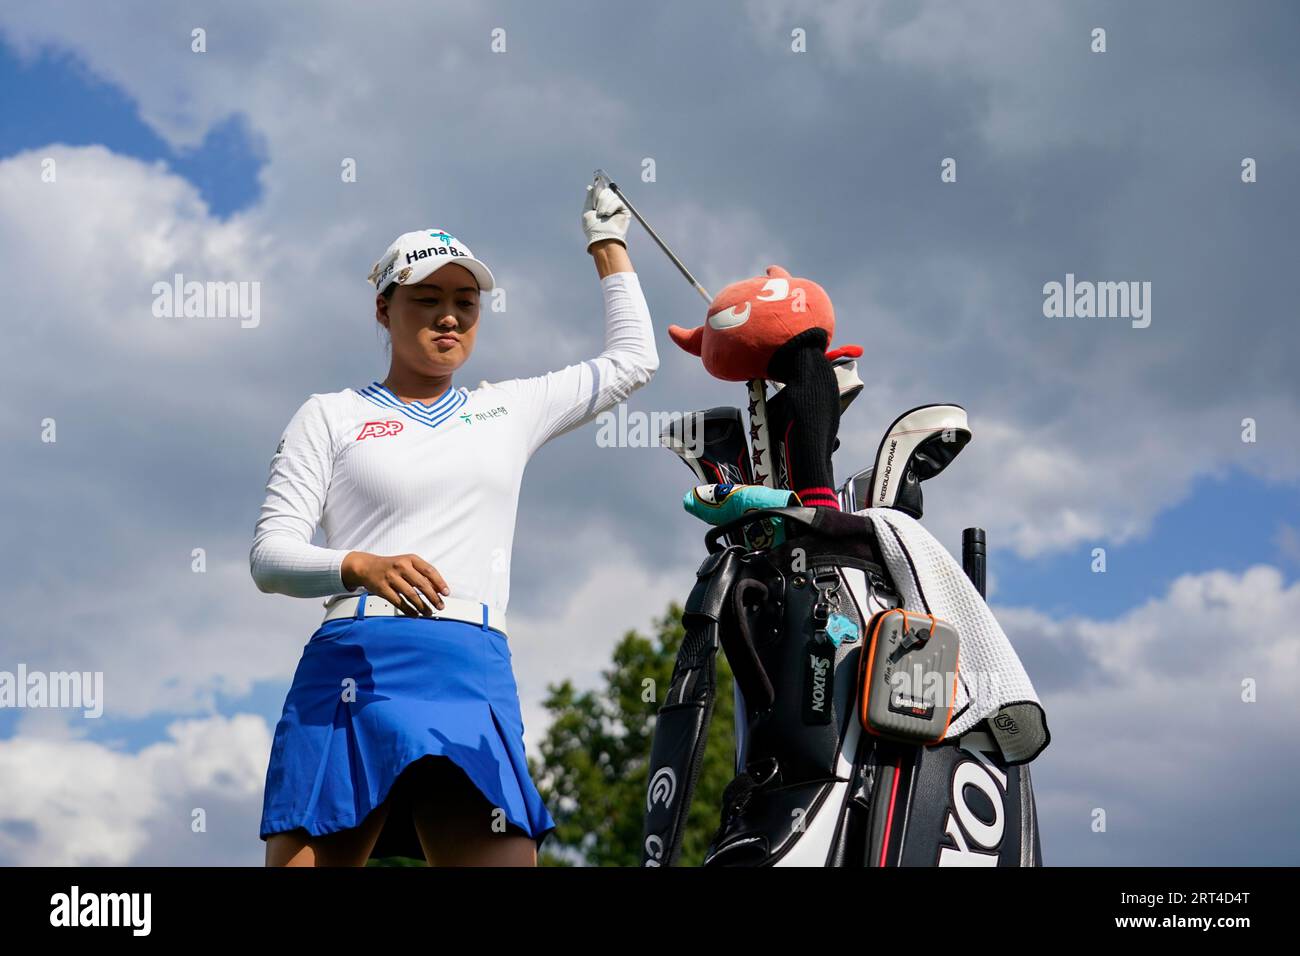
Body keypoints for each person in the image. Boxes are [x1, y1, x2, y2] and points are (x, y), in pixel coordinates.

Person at [250, 181, 657, 866]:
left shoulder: (509, 409)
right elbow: (270, 557)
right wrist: (360, 565)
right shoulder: (329, 414)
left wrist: (607, 243)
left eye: (465, 305)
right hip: (356, 663)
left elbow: (632, 363)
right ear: (383, 309)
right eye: (426, 301)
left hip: (471, 670)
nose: (448, 319)